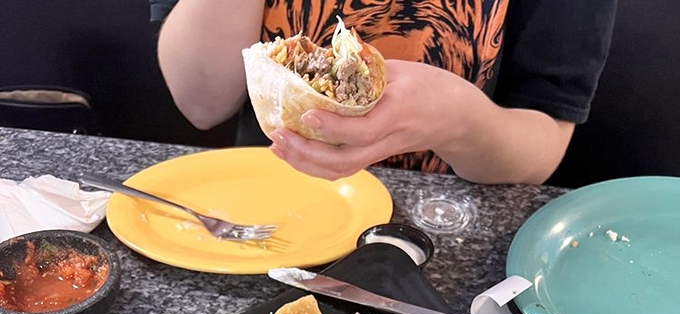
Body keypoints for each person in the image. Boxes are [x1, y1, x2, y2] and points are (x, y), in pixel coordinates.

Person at [149, 1, 617, 184]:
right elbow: (202, 104)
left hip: (438, 238)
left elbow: (541, 143)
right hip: (265, 214)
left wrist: (461, 121)